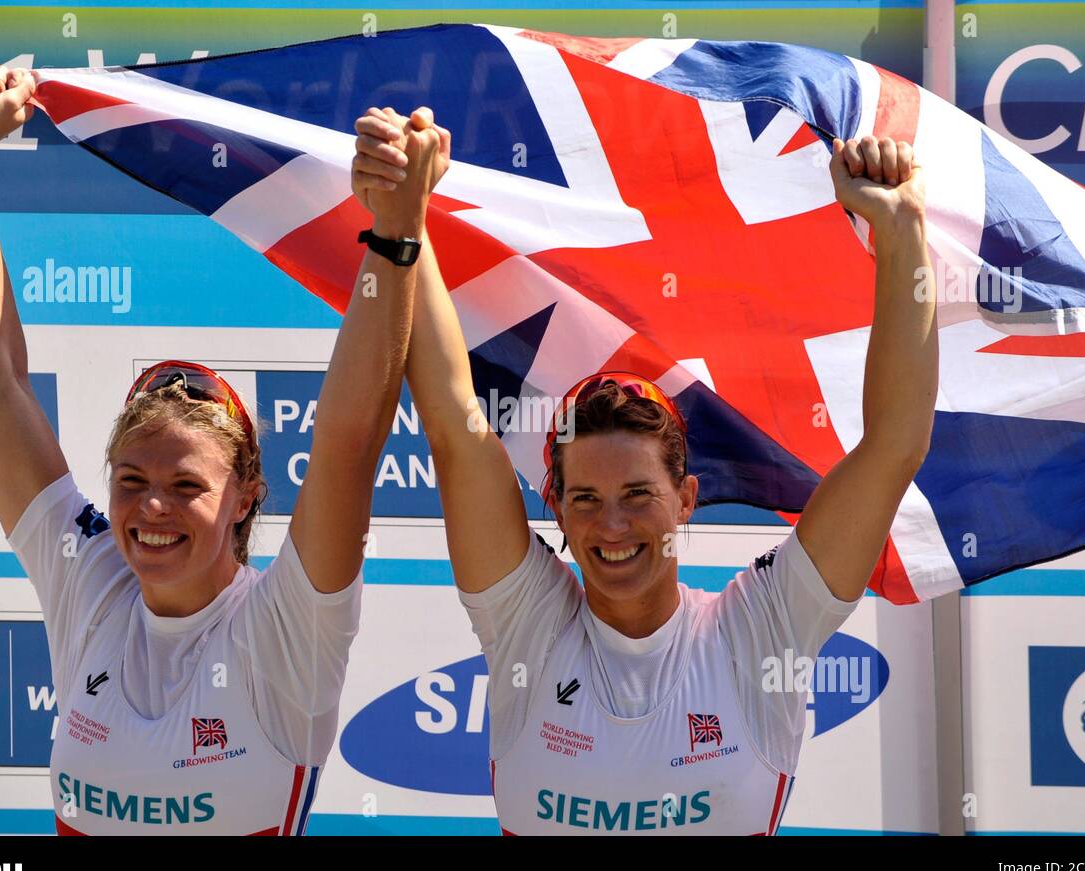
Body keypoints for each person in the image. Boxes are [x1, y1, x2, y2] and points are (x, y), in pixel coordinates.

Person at [353, 109, 936, 834]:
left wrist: (904, 228)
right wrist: (405, 220)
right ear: (556, 507)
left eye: (638, 495)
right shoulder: (527, 623)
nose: (614, 524)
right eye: (587, 499)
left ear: (686, 499)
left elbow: (893, 448)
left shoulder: (761, 633)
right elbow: (455, 425)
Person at [0, 65, 444, 834]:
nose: (150, 508)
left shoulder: (287, 629)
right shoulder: (91, 580)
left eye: (186, 486)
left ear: (245, 493)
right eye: (132, 478)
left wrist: (396, 235)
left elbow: (348, 443)